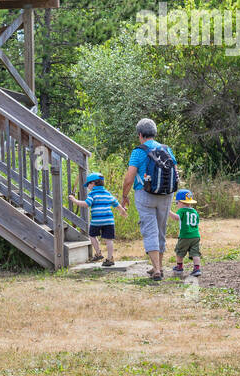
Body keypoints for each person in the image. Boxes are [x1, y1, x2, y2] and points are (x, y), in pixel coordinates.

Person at [120, 118, 179, 280]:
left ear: (140, 134)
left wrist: (124, 196)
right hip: (166, 194)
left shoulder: (138, 152)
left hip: (145, 194)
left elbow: (129, 178)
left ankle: (157, 269)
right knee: (161, 230)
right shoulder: (166, 149)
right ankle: (158, 266)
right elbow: (175, 171)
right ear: (154, 133)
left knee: (149, 230)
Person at [69, 171, 125, 266]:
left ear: (93, 183)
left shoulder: (92, 194)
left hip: (97, 221)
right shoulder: (107, 193)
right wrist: (122, 211)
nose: (88, 187)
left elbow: (86, 204)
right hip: (108, 221)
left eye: (88, 185)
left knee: (92, 235)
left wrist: (75, 200)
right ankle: (110, 258)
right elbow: (116, 203)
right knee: (109, 239)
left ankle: (98, 253)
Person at [169, 189, 202, 278]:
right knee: (195, 253)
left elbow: (176, 218)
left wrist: (168, 211)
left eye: (176, 203)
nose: (177, 205)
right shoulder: (194, 211)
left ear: (181, 202)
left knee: (180, 251)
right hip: (195, 236)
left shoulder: (182, 210)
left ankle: (179, 266)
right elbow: (197, 223)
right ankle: (197, 268)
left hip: (185, 236)